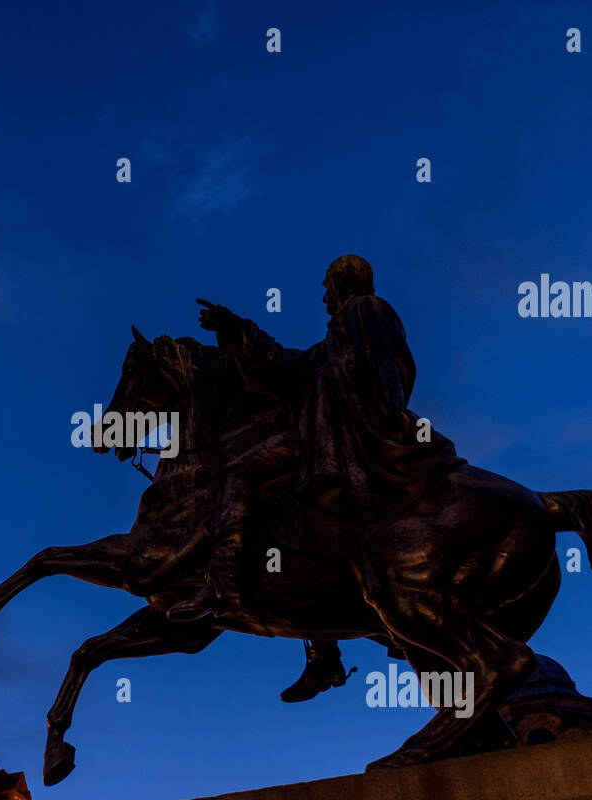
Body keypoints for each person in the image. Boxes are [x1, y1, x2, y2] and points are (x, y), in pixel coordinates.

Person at [168, 255, 462, 702]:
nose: (324, 297)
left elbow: (388, 376)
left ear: (343, 282)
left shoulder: (366, 311)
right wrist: (236, 331)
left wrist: (372, 418)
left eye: (327, 286)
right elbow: (291, 368)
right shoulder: (342, 327)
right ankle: (322, 653)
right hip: (329, 428)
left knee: (242, 469)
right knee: (283, 508)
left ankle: (224, 583)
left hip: (346, 432)